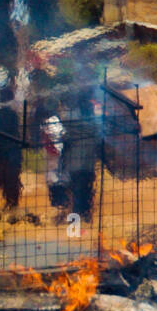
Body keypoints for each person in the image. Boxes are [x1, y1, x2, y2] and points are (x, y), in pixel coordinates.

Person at [59, 94, 99, 223]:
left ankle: (79, 216)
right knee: (83, 189)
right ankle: (83, 215)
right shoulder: (93, 123)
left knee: (79, 188)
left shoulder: (71, 119)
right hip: (84, 163)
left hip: (78, 163)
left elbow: (65, 137)